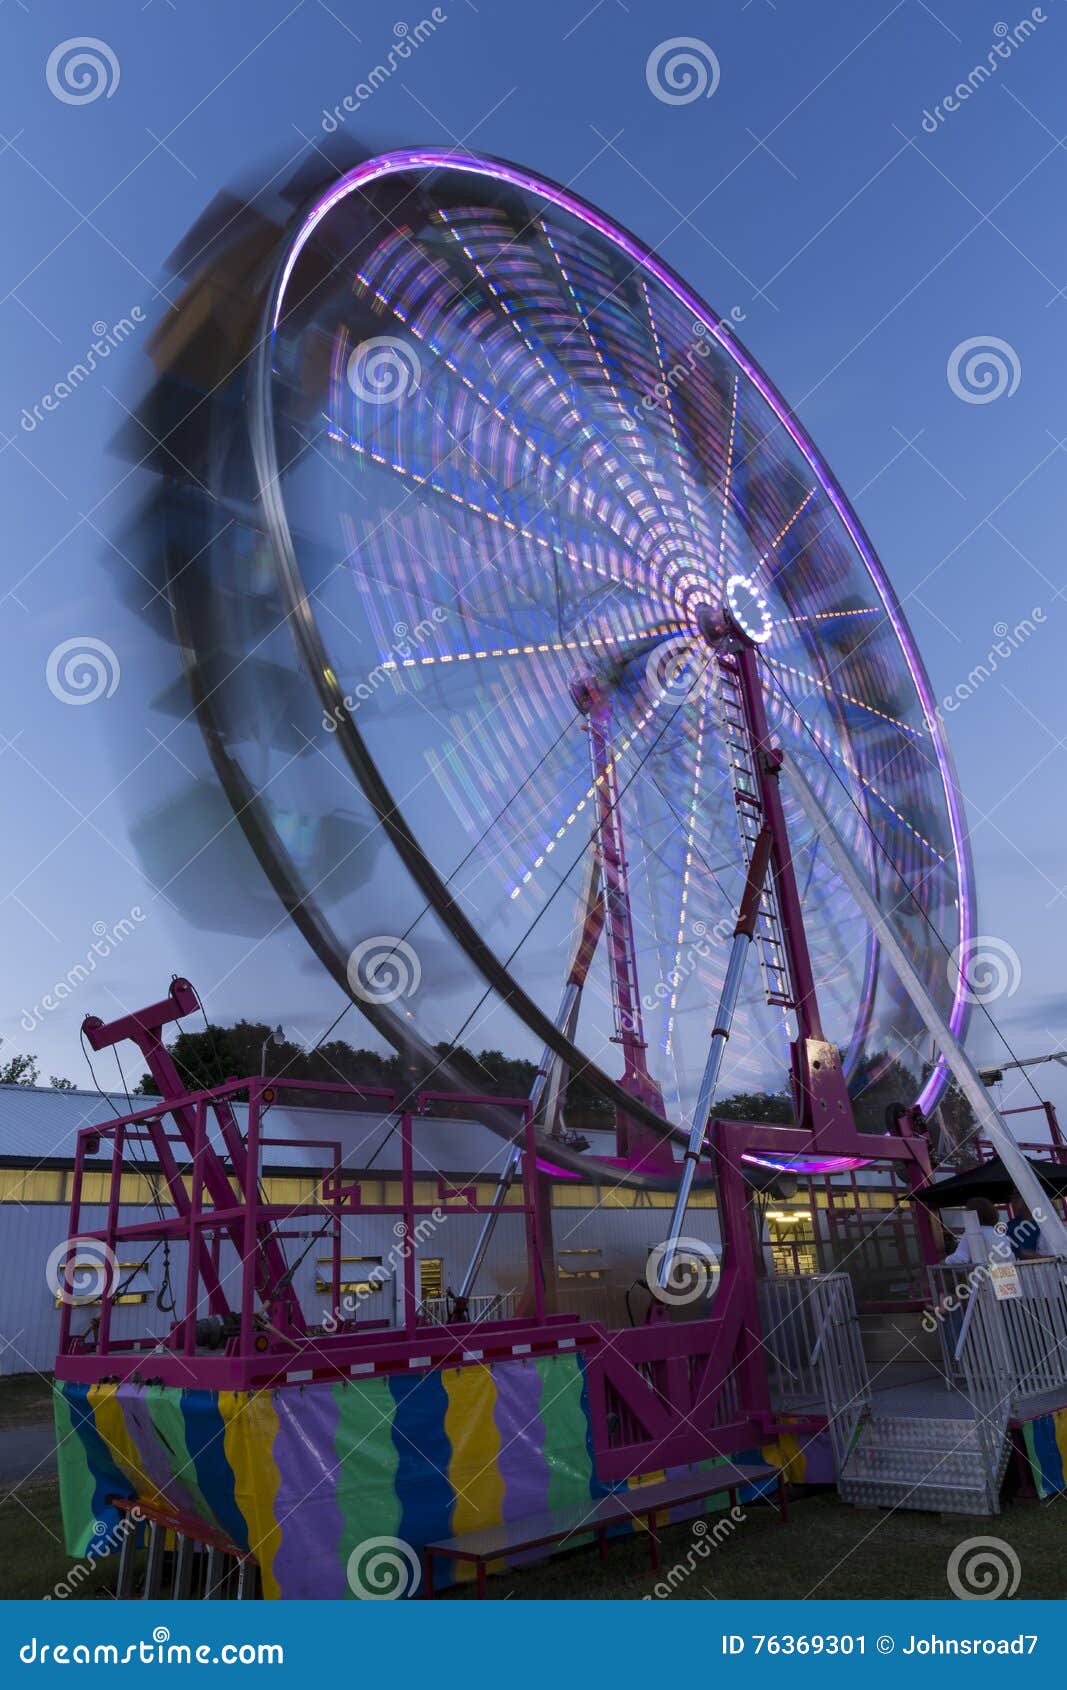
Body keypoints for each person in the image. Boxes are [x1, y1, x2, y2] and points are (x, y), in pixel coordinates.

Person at [943, 1197, 1007, 1266]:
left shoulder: (971, 1234)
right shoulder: (1000, 1234)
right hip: (1005, 1273)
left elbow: (961, 1258)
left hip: (983, 1275)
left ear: (971, 1214)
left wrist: (944, 1262)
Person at [1006, 1189, 1053, 1258]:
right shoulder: (1009, 1226)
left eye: (1017, 1198)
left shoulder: (1047, 1223)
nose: (1013, 1202)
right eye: (1012, 1199)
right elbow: (1009, 1253)